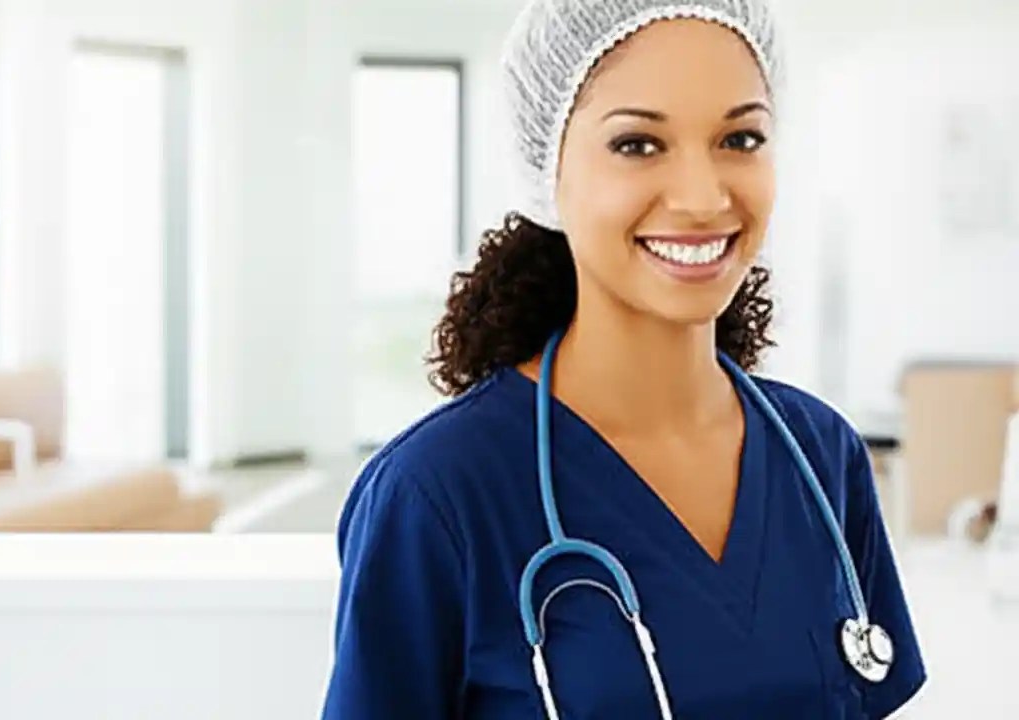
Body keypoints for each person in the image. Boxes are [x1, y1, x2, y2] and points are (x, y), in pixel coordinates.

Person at [321, 0, 927, 717]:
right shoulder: (438, 492)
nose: (703, 198)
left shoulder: (820, 454)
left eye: (740, 137)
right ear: (546, 168)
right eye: (638, 144)